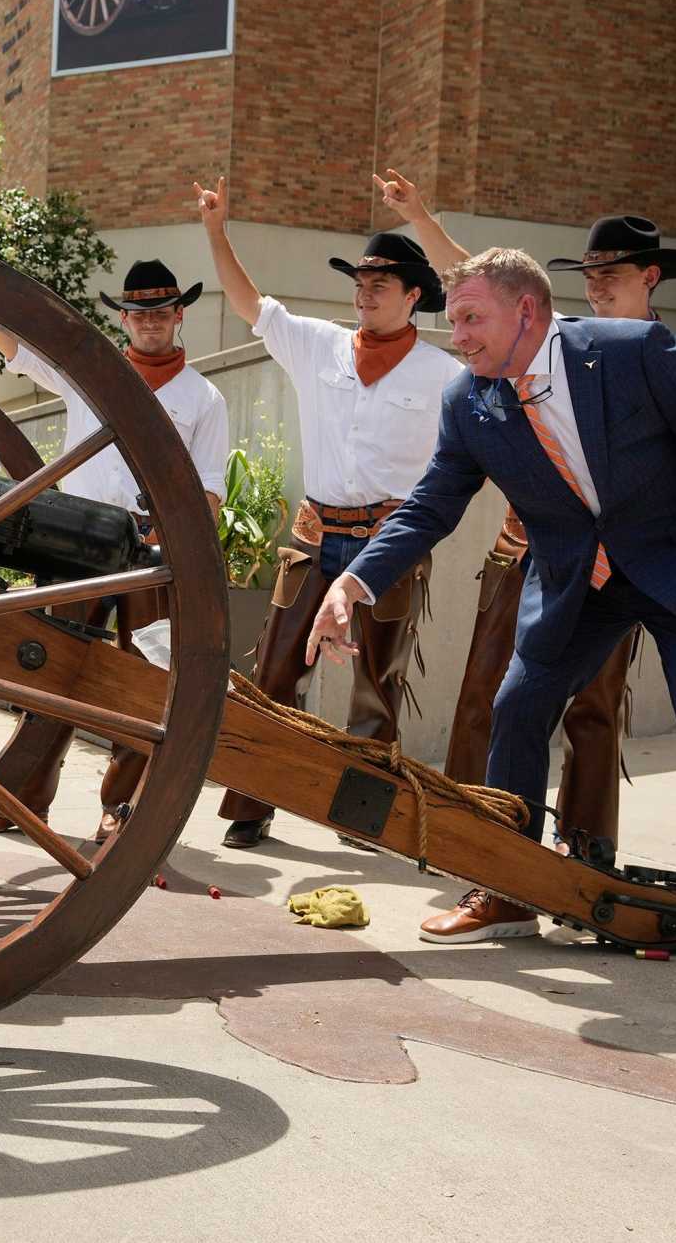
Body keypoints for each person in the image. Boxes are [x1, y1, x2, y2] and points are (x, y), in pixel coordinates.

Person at [308, 247, 676, 982]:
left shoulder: (637, 351)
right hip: (580, 582)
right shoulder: (468, 400)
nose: (458, 337)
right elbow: (430, 506)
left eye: (472, 319)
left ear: (528, 311)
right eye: (455, 322)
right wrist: (353, 584)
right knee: (517, 707)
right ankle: (509, 888)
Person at [383, 172, 676, 862]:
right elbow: (480, 285)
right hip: (526, 548)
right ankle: (476, 833)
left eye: (611, 272)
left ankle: (587, 851)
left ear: (650, 277)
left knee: (594, 706)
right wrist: (421, 218)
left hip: (618, 563)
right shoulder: (561, 338)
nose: (597, 285)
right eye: (589, 273)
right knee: (491, 694)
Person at [199, 175, 460, 849]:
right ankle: (252, 805)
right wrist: (217, 232)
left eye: (380, 283)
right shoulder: (319, 343)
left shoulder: (445, 375)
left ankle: (362, 818)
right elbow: (249, 303)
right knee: (274, 673)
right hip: (314, 540)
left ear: (413, 295)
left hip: (390, 545)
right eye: (360, 282)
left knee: (377, 685)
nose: (364, 293)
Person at [0, 258, 230, 840]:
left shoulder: (204, 397)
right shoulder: (87, 373)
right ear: (122, 319)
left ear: (179, 315)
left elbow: (210, 490)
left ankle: (120, 808)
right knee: (52, 667)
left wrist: (172, 543)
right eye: (139, 313)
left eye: (160, 312)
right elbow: (16, 349)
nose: (150, 321)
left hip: (152, 551)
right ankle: (25, 799)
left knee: (142, 680)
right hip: (78, 542)